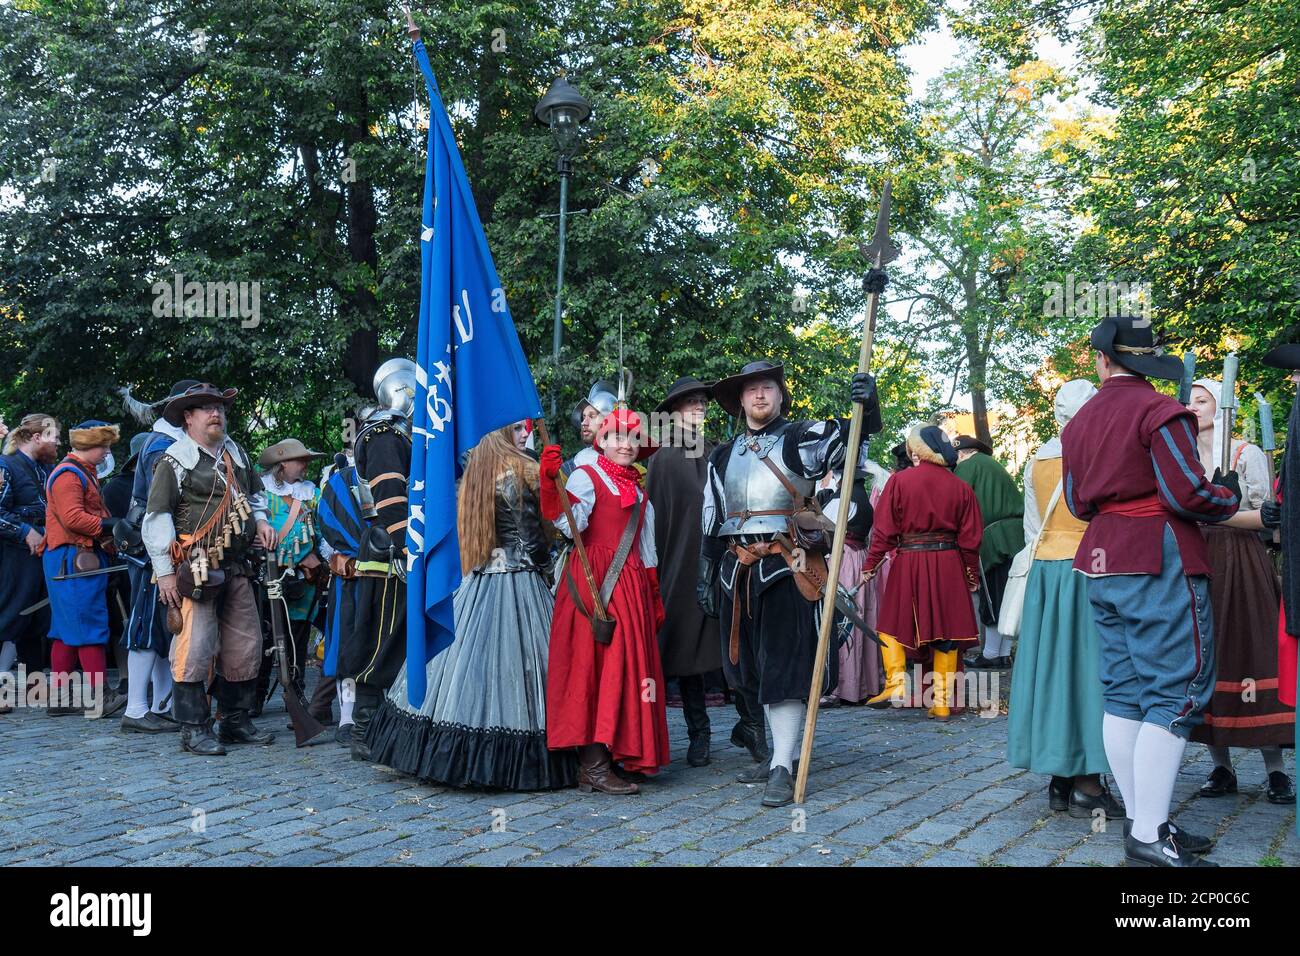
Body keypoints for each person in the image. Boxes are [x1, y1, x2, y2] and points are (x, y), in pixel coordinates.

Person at [1060, 316, 1240, 867]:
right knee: (1176, 690)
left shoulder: (1078, 422)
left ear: (1103, 360)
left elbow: (1076, 502)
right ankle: (1146, 834)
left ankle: (1148, 824)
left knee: (1124, 692)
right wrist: (1226, 495)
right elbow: (1188, 494)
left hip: (1099, 555)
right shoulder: (1161, 410)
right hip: (1156, 552)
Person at [700, 360, 880, 807]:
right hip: (735, 569)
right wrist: (706, 569)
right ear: (740, 401)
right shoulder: (722, 455)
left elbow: (851, 443)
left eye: (767, 387)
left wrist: (868, 405)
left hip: (787, 568)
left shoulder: (801, 438)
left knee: (783, 667)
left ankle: (782, 763)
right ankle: (778, 754)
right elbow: (711, 513)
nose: (759, 395)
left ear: (780, 395)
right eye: (751, 390)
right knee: (748, 670)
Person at [368, 423, 577, 789]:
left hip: (477, 579)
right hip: (519, 579)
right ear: (499, 434)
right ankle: (516, 762)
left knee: (466, 667)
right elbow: (532, 541)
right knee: (522, 666)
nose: (526, 433)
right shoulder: (516, 473)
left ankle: (445, 756)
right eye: (517, 428)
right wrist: (546, 568)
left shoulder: (475, 475)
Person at [1006, 380, 1123, 819]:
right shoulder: (1101, 453)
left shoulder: (1038, 458)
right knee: (1090, 673)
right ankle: (1088, 785)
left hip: (1046, 574)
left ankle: (1060, 777)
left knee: (1052, 672)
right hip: (1090, 568)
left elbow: (1033, 529)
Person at [142, 383, 279, 756]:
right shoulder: (172, 460)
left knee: (245, 643)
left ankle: (234, 720)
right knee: (195, 645)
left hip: (236, 566)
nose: (215, 412)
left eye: (218, 406)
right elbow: (156, 519)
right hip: (195, 568)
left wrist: (263, 522)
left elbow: (253, 497)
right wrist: (166, 572)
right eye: (205, 408)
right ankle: (193, 727)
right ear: (188, 417)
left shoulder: (237, 453)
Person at [542, 408, 670, 794]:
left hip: (630, 588)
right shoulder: (586, 476)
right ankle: (592, 766)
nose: (625, 444)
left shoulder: (640, 493)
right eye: (616, 436)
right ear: (601, 440)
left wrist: (653, 594)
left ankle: (619, 753)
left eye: (632, 438)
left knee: (628, 672)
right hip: (593, 582)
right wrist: (551, 485)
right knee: (594, 669)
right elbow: (566, 524)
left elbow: (646, 552)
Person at [1185, 378, 1294, 803]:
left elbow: (1267, 518)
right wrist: (1220, 510)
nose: (1194, 407)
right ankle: (1221, 767)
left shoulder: (1246, 453)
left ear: (1221, 406)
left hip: (1244, 561)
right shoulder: (1180, 456)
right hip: (1195, 559)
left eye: (1203, 400)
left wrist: (1216, 512)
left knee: (1254, 649)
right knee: (1210, 655)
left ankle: (1276, 769)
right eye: (1189, 400)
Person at [862, 425, 982, 719]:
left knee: (891, 622)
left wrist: (871, 564)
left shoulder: (900, 481)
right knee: (948, 630)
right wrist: (970, 574)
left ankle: (895, 683)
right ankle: (940, 702)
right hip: (949, 563)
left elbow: (884, 530)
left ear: (918, 450)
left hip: (911, 561)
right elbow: (971, 538)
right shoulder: (961, 487)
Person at [340, 359, 414, 761]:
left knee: (398, 639)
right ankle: (365, 728)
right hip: (391, 551)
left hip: (398, 550)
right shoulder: (385, 432)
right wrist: (407, 546)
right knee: (380, 640)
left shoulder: (406, 432)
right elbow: (390, 496)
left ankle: (385, 725)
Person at [645, 376, 721, 766]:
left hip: (720, 562)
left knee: (730, 645)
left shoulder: (716, 451)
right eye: (689, 401)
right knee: (686, 648)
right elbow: (655, 517)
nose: (698, 406)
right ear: (674, 410)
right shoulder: (663, 455)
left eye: (701, 401)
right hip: (678, 563)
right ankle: (699, 733)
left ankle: (752, 726)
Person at [117, 380, 199, 733]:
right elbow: (160, 509)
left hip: (163, 550)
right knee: (147, 625)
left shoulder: (167, 443)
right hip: (153, 551)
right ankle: (136, 709)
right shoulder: (161, 447)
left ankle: (161, 703)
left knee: (165, 627)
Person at [42, 421, 127, 718]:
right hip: (73, 559)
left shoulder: (81, 473)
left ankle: (59, 698)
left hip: (73, 558)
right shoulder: (68, 475)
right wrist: (111, 525)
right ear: (89, 445)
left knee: (65, 630)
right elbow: (73, 519)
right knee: (89, 625)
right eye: (103, 447)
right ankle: (99, 697)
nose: (106, 453)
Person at [255, 438, 328, 721]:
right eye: (301, 460)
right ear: (283, 463)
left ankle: (295, 696)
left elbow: (320, 532)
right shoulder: (261, 495)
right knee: (265, 640)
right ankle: (255, 697)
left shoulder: (311, 494)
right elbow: (257, 538)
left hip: (304, 583)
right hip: (270, 577)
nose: (306, 465)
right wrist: (297, 557)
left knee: (297, 640)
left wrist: (320, 560)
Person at [953, 435, 1024, 668]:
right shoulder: (991, 464)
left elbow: (956, 502)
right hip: (1014, 536)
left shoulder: (968, 465)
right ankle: (1002, 654)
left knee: (992, 596)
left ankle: (992, 654)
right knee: (1005, 594)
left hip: (993, 539)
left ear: (962, 453)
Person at [0, 414, 59, 678]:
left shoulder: (46, 470)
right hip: (13, 557)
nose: (58, 441)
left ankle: (34, 686)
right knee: (7, 617)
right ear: (37, 438)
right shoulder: (5, 466)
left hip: (42, 555)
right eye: (53, 436)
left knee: (36, 621)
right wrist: (25, 531)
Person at [816, 467, 877, 704]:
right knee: (858, 619)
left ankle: (841, 688)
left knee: (841, 621)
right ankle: (863, 684)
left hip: (843, 559)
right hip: (859, 557)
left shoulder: (843, 499)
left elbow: (821, 529)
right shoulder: (864, 500)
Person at [562, 379, 619, 478]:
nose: (584, 423)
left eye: (592, 416)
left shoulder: (637, 473)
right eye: (583, 417)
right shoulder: (570, 469)